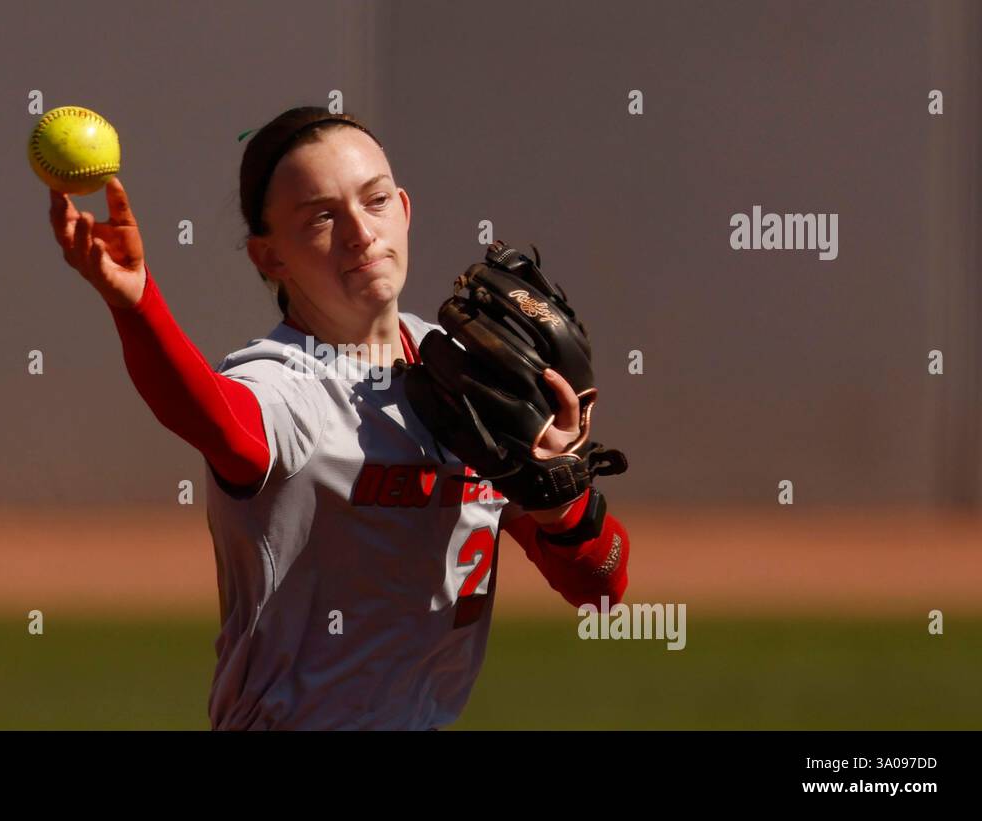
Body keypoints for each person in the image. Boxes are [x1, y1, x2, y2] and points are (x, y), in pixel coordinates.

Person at [47, 106, 630, 730]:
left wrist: (559, 492)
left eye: (375, 201)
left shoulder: (472, 375)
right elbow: (213, 419)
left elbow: (598, 591)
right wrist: (137, 304)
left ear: (404, 210)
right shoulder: (284, 384)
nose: (360, 233)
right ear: (269, 257)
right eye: (322, 216)